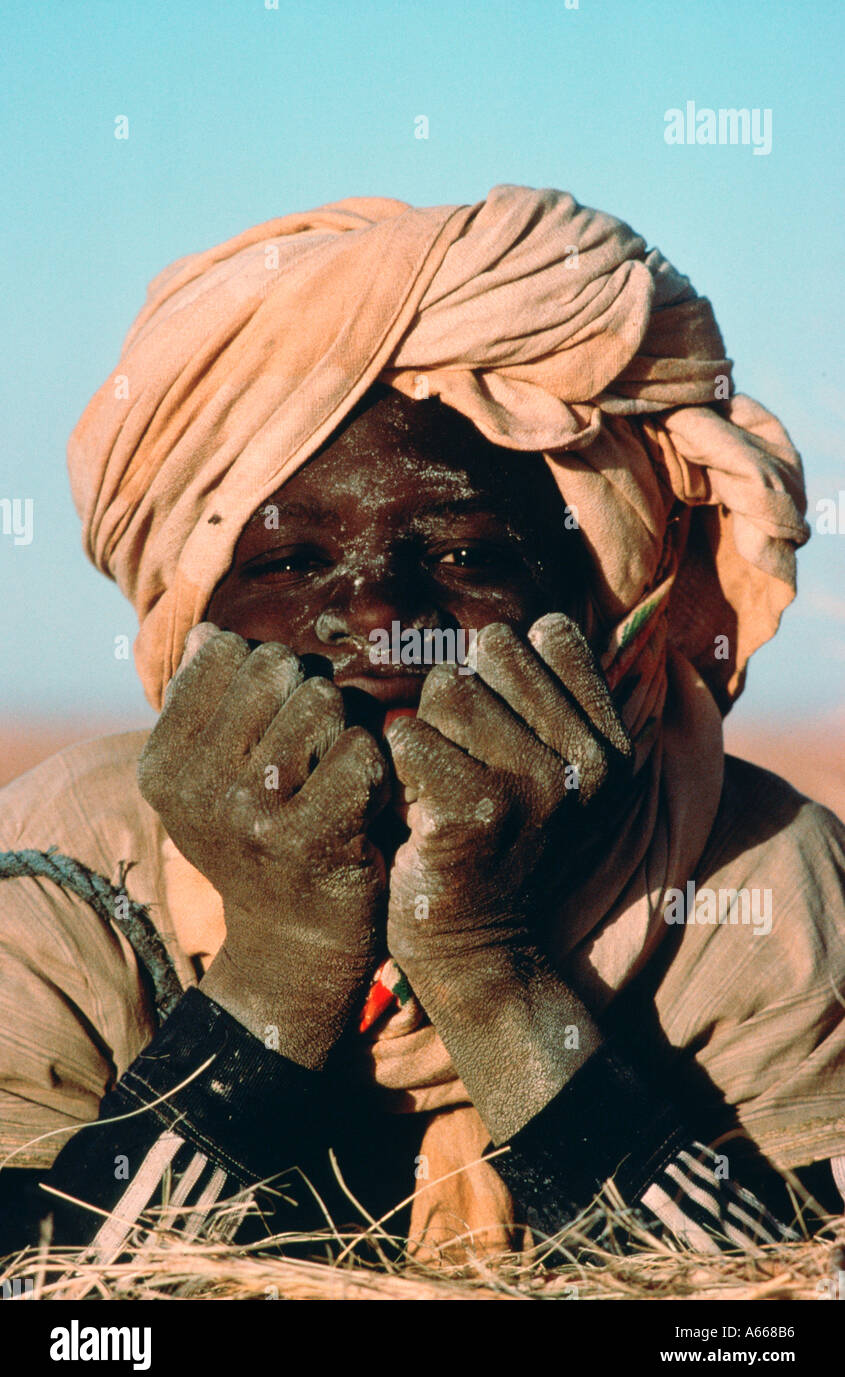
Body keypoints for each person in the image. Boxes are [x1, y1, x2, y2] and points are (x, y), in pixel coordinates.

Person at [1, 186, 844, 1268]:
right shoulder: (72, 881)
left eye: (466, 557)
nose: (381, 624)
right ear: (193, 624)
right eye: (292, 564)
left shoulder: (759, 889)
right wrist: (278, 968)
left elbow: (765, 1329)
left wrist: (486, 969)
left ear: (605, 615)